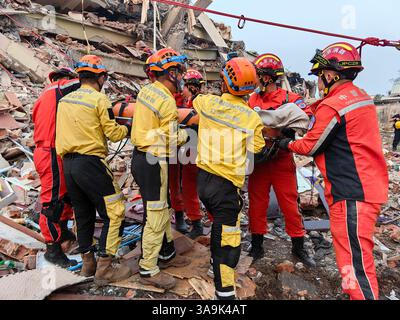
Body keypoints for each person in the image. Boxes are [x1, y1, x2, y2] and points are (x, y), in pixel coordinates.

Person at [278, 42, 389, 300]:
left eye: (319, 75)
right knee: (351, 252)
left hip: (351, 192)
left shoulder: (333, 105)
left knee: (355, 259)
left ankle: (360, 295)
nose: (318, 81)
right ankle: (354, 293)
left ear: (331, 74)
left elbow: (311, 145)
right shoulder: (359, 96)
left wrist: (286, 143)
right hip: (364, 186)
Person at [194, 55, 268, 300]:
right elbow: (257, 147)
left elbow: (196, 101)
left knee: (218, 226)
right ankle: (225, 293)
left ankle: (215, 263)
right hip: (226, 187)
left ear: (225, 83)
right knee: (228, 239)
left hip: (203, 182)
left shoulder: (207, 104)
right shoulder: (252, 118)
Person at [56, 55, 132, 285]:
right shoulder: (100, 100)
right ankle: (105, 268)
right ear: (100, 77)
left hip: (68, 166)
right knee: (115, 210)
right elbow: (113, 133)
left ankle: (88, 264)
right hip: (91, 163)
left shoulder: (65, 100)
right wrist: (128, 127)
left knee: (83, 213)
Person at [131, 48, 191, 290]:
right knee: (156, 214)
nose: (182, 78)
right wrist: (186, 134)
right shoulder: (166, 99)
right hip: (154, 161)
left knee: (162, 208)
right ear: (171, 72)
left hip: (140, 159)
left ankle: (166, 253)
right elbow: (172, 136)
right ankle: (148, 268)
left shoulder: (146, 92)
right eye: (179, 72)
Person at [247, 54, 316, 267]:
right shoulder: (252, 99)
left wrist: (287, 131)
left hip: (281, 160)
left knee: (289, 205)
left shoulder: (291, 99)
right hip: (258, 161)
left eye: (258, 75)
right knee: (257, 205)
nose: (255, 79)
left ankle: (298, 246)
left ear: (267, 78)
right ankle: (257, 245)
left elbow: (309, 118)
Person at [33, 67, 81, 268]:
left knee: (65, 196)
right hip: (50, 151)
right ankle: (52, 249)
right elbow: (83, 82)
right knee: (52, 203)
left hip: (51, 151)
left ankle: (61, 231)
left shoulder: (44, 98)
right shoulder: (59, 88)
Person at [169, 69, 205, 238]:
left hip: (192, 146)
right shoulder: (173, 99)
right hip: (174, 145)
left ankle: (196, 222)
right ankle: (179, 216)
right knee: (173, 182)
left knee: (190, 185)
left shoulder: (201, 103)